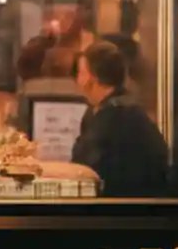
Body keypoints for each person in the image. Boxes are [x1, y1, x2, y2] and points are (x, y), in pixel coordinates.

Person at [71, 41, 171, 197]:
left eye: (80, 73)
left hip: (130, 215)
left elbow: (85, 172)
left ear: (92, 78)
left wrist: (37, 167)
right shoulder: (113, 110)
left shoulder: (115, 118)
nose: (77, 81)